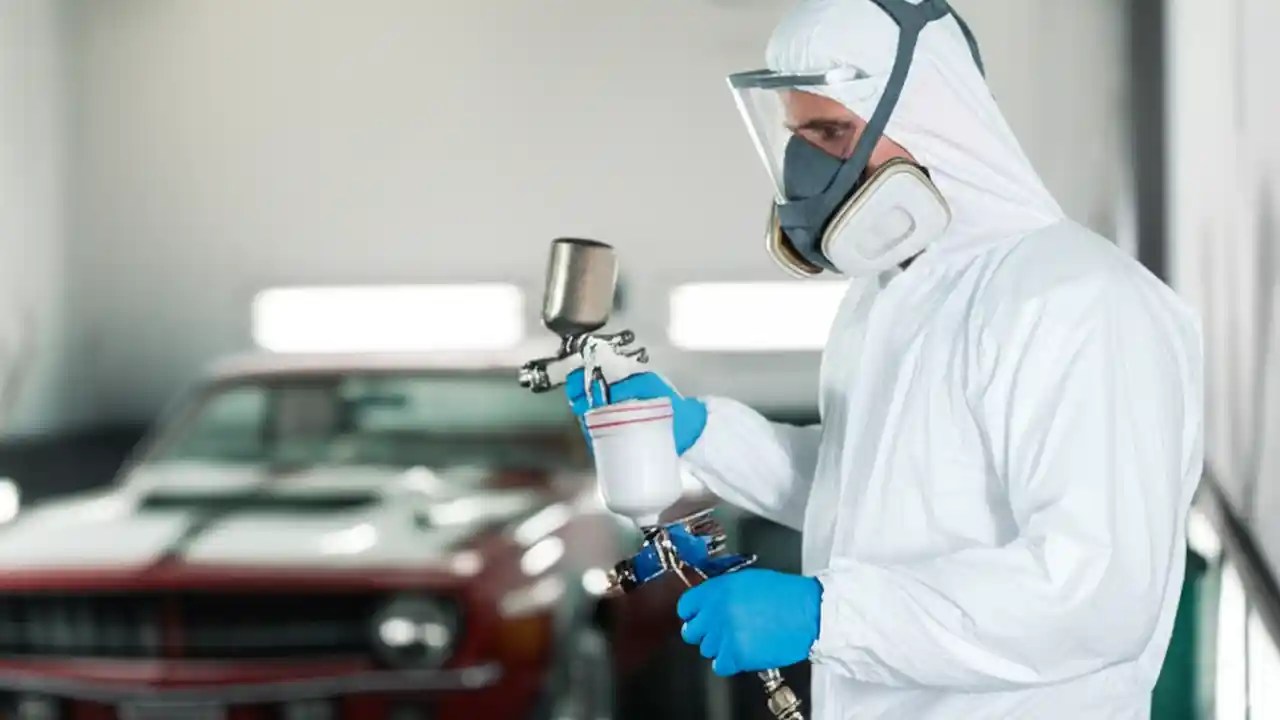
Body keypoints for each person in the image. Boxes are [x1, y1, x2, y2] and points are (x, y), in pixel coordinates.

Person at [567, 0, 1204, 717]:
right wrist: (699, 433)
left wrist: (828, 616)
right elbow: (874, 494)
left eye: (832, 131)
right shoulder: (893, 292)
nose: (806, 164)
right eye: (798, 134)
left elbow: (1096, 593)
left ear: (937, 123)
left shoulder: (1078, 302)